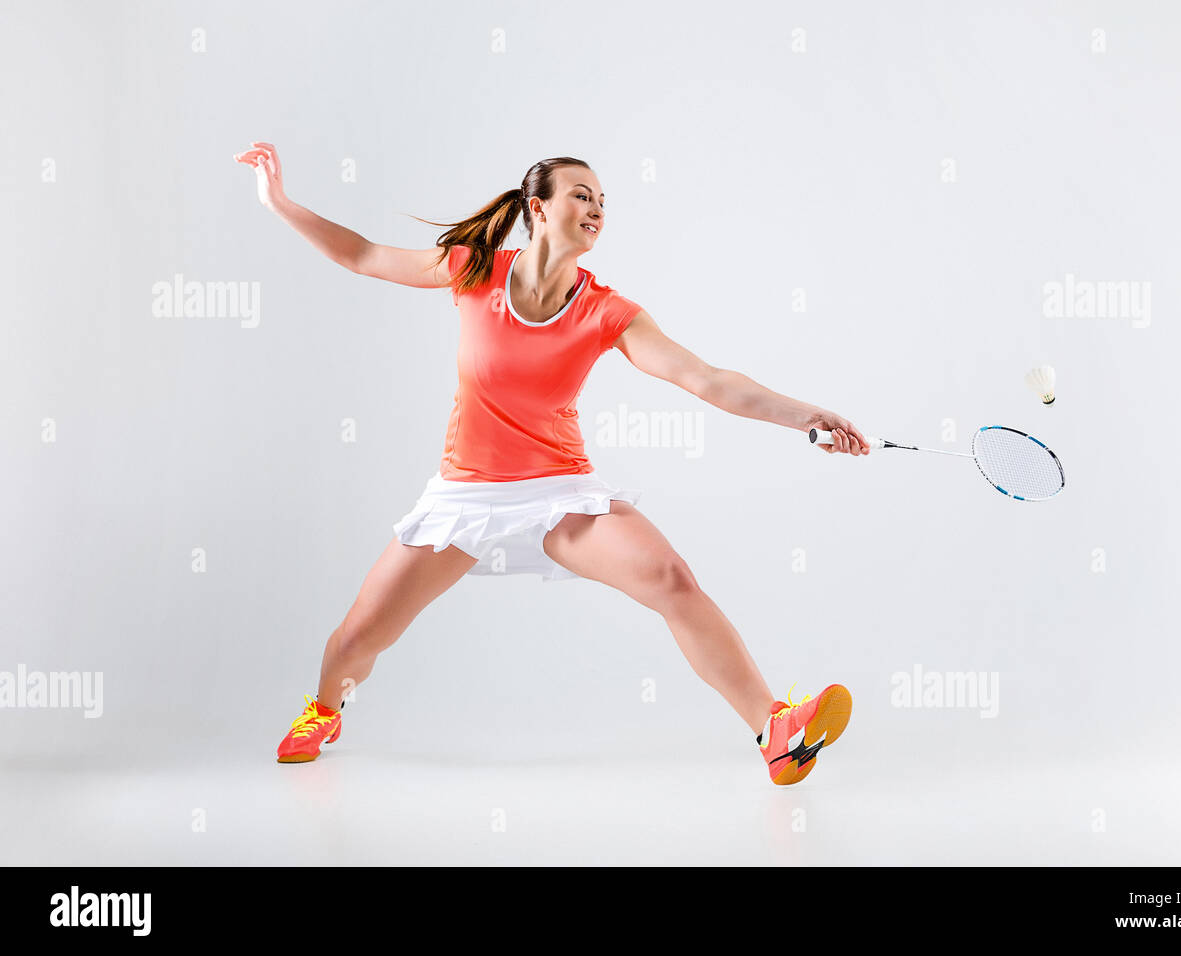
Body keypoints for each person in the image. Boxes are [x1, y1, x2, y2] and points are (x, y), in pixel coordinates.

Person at [234, 144, 867, 785]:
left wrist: (809, 416)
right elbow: (363, 255)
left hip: (559, 493)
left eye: (601, 201)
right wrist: (279, 202)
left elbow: (705, 379)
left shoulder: (604, 310)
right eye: (581, 195)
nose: (595, 209)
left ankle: (775, 729)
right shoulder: (472, 270)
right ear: (538, 209)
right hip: (465, 495)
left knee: (672, 579)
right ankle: (325, 708)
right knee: (353, 643)